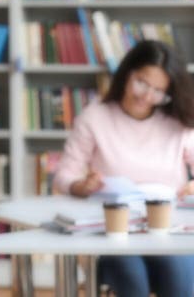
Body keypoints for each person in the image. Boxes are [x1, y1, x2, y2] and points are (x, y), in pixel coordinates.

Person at [53, 39, 194, 297]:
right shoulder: (95, 117)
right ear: (127, 73)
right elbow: (64, 175)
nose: (146, 96)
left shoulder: (178, 122)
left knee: (179, 275)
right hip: (113, 232)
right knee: (132, 279)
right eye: (142, 82)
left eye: (158, 91)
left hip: (167, 230)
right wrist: (81, 186)